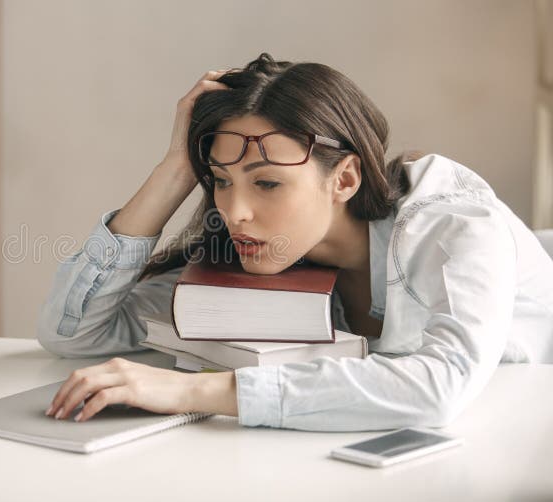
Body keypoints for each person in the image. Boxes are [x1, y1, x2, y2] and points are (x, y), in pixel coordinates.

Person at [36, 53, 553, 430]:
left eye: (267, 183)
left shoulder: (454, 223)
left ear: (344, 180)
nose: (234, 212)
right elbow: (75, 334)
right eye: (219, 180)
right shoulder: (259, 252)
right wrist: (175, 168)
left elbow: (440, 388)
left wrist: (197, 391)